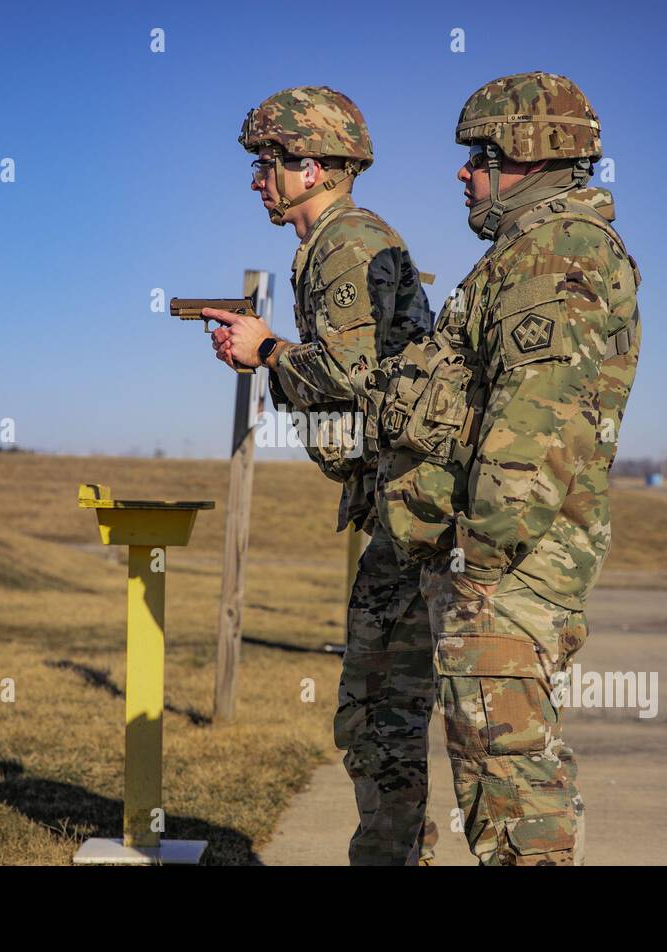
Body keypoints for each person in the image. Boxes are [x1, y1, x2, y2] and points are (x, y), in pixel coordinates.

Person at [372, 72, 642, 865]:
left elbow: (535, 424)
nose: (465, 173)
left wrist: (478, 560)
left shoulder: (554, 252)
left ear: (530, 156)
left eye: (480, 155)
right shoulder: (529, 251)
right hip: (502, 566)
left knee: (510, 788)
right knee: (504, 778)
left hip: (508, 570)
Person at [205, 86, 439, 865]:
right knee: (383, 713)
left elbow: (350, 375)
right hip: (403, 507)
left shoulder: (345, 242)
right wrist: (268, 356)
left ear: (312, 166)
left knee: (378, 713)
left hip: (416, 512)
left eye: (266, 163)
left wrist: (266, 352)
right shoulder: (334, 242)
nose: (256, 180)